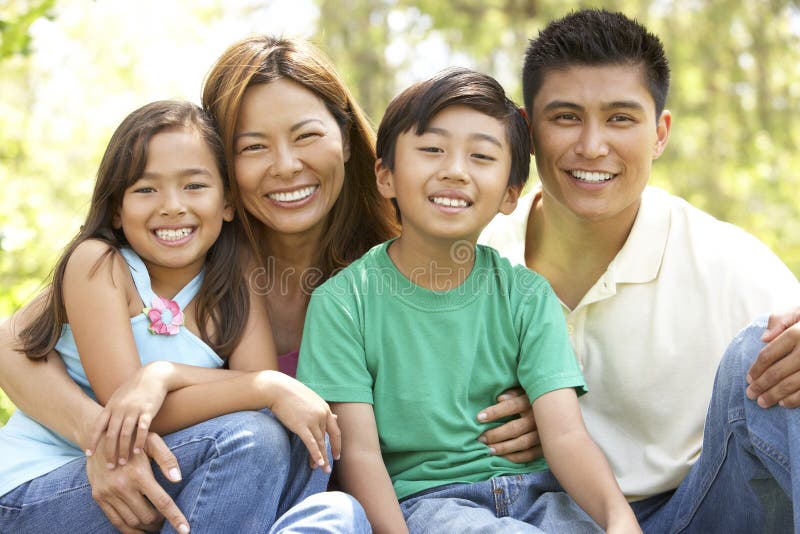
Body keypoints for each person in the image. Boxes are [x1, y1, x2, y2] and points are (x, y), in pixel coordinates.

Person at [0, 36, 538, 531]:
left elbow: (507, 337)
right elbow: (13, 345)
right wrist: (106, 441)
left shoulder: (402, 259)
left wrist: (539, 403)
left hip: (347, 501)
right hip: (162, 480)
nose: (286, 166)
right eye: (252, 147)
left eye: (306, 136)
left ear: (347, 139)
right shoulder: (184, 260)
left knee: (331, 505)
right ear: (220, 161)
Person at [479, 9, 800, 532]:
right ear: (527, 130)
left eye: (620, 118)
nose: (591, 145)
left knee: (777, 354)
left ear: (659, 133)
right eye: (565, 117)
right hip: (543, 516)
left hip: (705, 507)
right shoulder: (473, 255)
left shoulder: (721, 259)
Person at [297, 67, 641, 533]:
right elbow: (358, 454)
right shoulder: (343, 302)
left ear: (510, 194)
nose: (454, 171)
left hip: (540, 496)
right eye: (432, 150)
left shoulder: (527, 296)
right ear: (386, 176)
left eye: (481, 156)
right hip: (429, 505)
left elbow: (565, 435)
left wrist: (619, 519)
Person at [0, 100, 366, 534]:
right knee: (256, 437)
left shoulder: (234, 278)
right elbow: (131, 412)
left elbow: (265, 392)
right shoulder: (99, 265)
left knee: (330, 492)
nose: (172, 206)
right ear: (116, 208)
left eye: (194, 186)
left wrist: (166, 374)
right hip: (41, 490)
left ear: (228, 202)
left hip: (164, 474)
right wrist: (264, 386)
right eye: (146, 189)